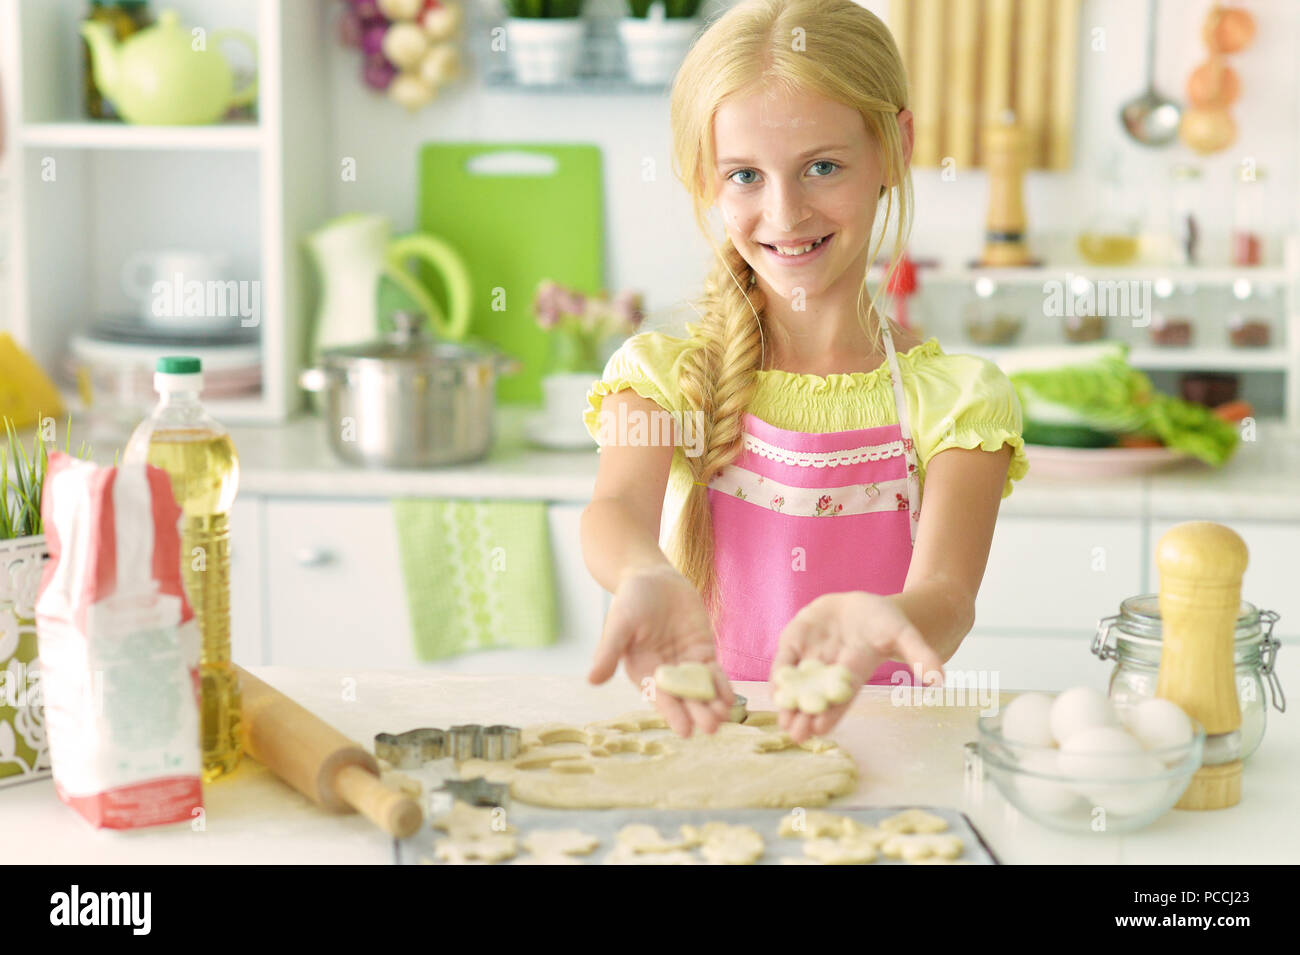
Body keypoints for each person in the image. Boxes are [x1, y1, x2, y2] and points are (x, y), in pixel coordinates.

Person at [580, 0, 1029, 741]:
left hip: (885, 751)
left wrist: (891, 620)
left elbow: (948, 596)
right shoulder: (664, 373)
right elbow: (616, 512)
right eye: (745, 175)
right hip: (706, 740)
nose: (785, 213)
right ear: (704, 179)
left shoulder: (956, 400)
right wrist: (645, 574)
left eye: (823, 166)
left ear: (894, 147)